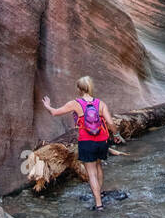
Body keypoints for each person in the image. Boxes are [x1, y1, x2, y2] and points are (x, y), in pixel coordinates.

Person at [42, 76, 117, 210]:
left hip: (86, 141)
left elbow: (54, 113)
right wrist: (116, 134)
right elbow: (110, 123)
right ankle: (100, 192)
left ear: (78, 88)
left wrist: (47, 106)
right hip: (102, 141)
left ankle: (99, 204)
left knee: (91, 173)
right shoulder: (100, 103)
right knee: (99, 166)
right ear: (91, 87)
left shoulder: (75, 103)